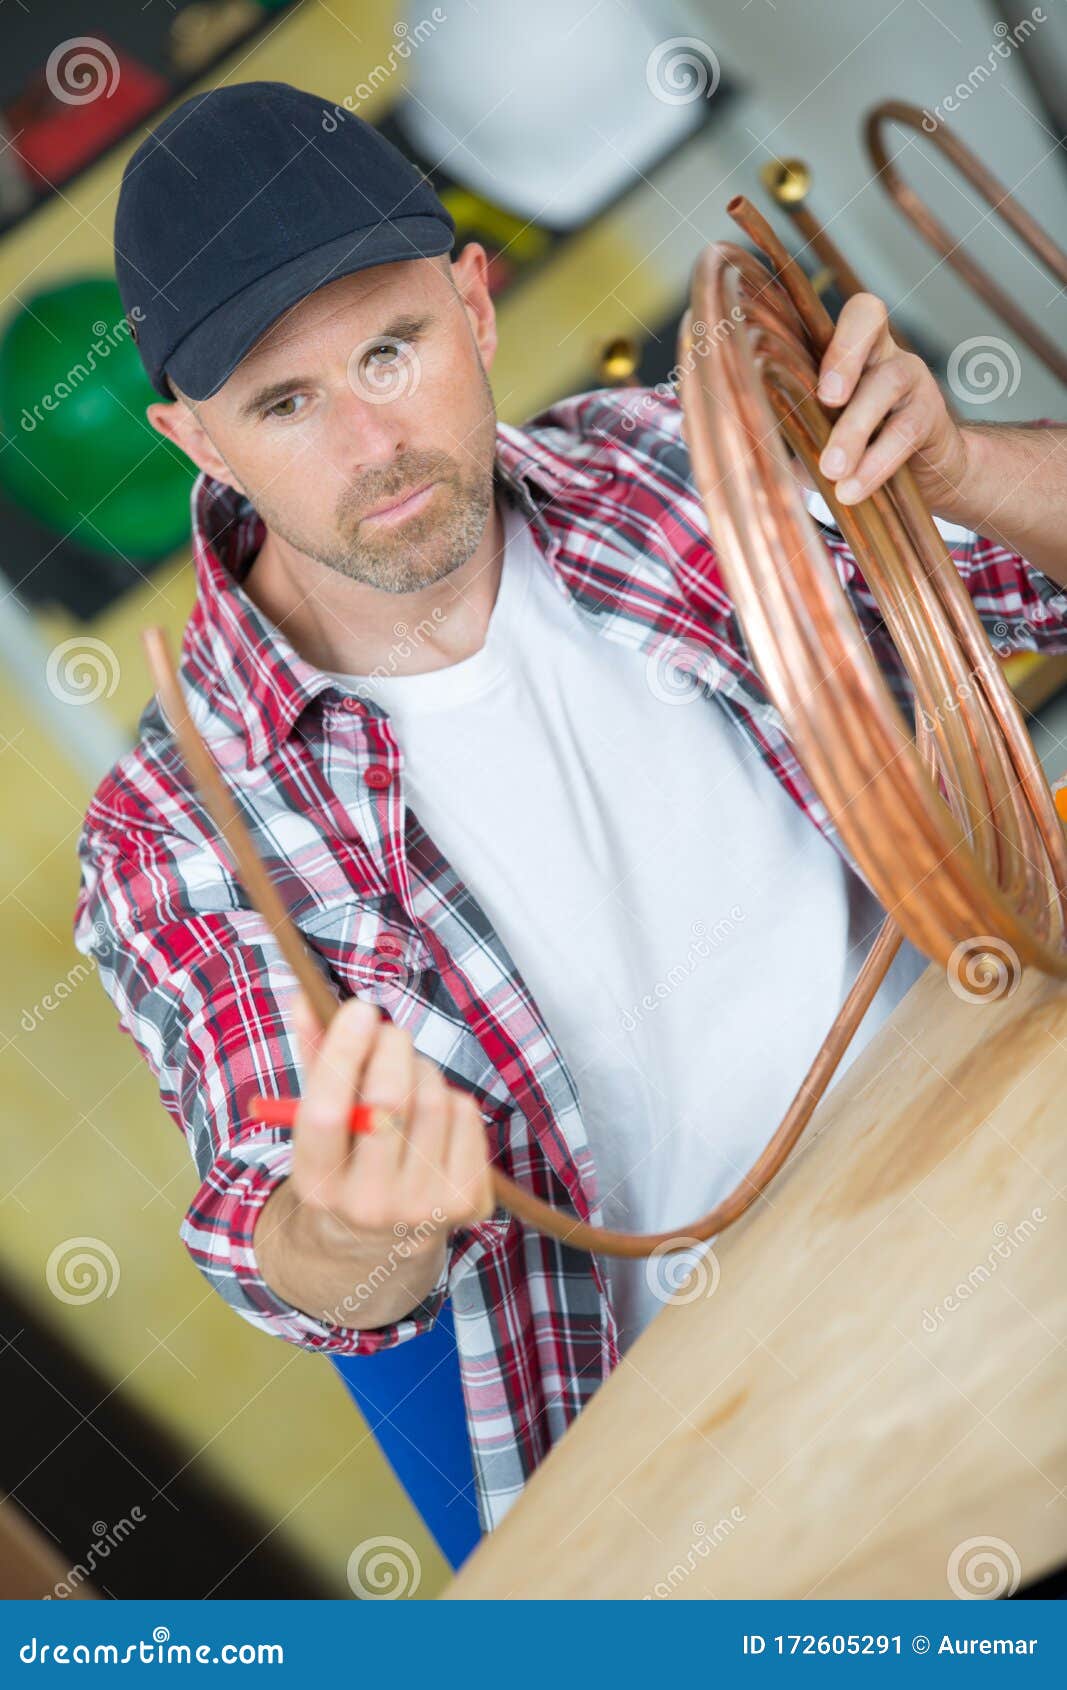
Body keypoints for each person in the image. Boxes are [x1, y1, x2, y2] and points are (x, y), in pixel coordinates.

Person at [74, 81, 1067, 1533]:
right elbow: (288, 1244)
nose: (373, 445)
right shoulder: (176, 826)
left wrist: (962, 471)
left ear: (474, 309)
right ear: (198, 444)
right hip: (732, 1445)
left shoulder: (669, 467)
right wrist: (359, 1226)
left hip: (1000, 1162)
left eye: (393, 350)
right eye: (288, 404)